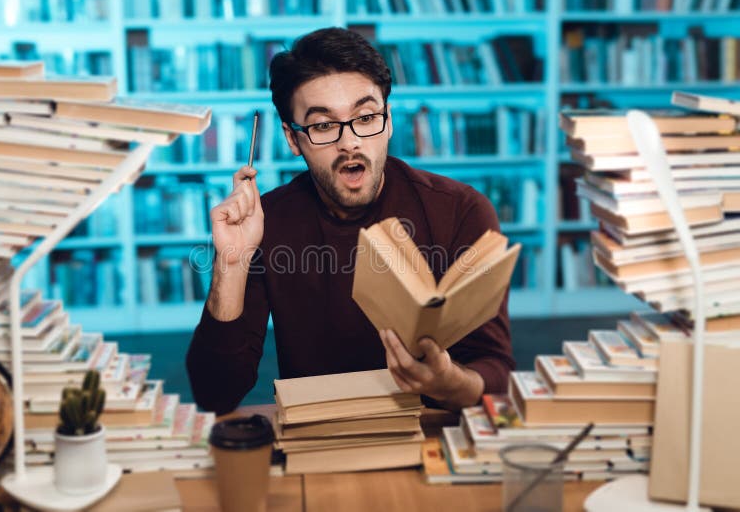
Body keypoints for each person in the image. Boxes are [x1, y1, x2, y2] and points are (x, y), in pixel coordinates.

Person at [187, 27, 515, 415]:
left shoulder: (461, 210)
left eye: (365, 117)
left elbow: (495, 373)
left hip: (432, 433)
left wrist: (450, 383)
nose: (350, 142)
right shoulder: (264, 222)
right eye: (324, 125)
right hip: (317, 438)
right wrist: (231, 263)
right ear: (293, 140)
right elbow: (215, 394)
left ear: (389, 120)